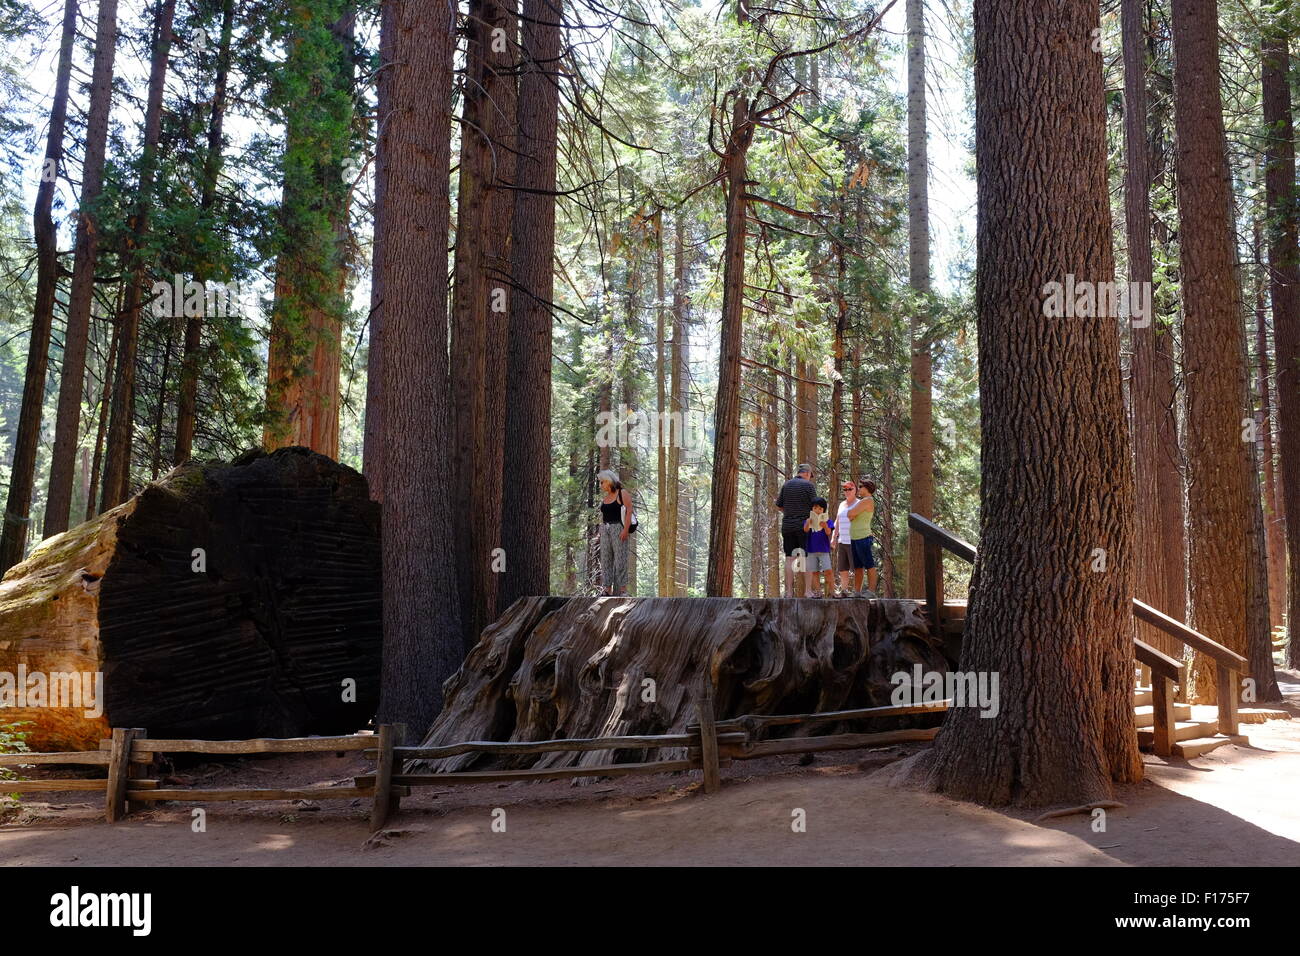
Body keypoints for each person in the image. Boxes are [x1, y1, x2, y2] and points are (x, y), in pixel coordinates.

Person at [775, 463, 816, 597]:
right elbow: (815, 506)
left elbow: (779, 505)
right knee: (806, 557)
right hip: (804, 526)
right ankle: (808, 591)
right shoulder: (809, 486)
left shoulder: (786, 485)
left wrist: (789, 512)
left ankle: (788, 592)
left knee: (789, 558)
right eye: (810, 475)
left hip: (787, 526)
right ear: (808, 474)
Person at [596, 469, 634, 595]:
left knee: (620, 559)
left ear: (609, 481)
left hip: (618, 528)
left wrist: (625, 530)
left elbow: (629, 511)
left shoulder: (622, 493)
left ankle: (623, 590)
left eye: (602, 482)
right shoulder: (606, 497)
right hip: (605, 529)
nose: (601, 485)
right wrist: (602, 530)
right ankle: (607, 589)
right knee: (606, 559)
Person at [848, 478, 879, 598]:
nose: (858, 488)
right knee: (857, 566)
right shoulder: (861, 502)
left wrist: (853, 513)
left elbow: (850, 514)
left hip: (863, 537)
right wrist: (853, 513)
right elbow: (849, 515)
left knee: (869, 564)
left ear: (867, 488)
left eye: (861, 486)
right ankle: (857, 592)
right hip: (855, 537)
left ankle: (871, 591)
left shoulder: (867, 500)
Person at [802, 497, 835, 598]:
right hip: (811, 549)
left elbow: (829, 532)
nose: (817, 510)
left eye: (820, 509)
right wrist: (808, 523)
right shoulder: (808, 520)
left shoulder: (828, 520)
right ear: (812, 509)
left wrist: (825, 526)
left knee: (828, 570)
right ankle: (818, 591)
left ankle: (832, 591)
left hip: (824, 549)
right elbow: (805, 530)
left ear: (824, 510)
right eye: (815, 508)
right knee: (814, 572)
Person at [831, 480, 857, 597]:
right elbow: (837, 521)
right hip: (842, 540)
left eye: (849, 489)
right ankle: (844, 590)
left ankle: (857, 591)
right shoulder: (842, 504)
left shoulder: (859, 503)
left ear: (855, 490)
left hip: (854, 540)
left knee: (856, 568)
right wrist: (834, 537)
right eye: (845, 489)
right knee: (843, 568)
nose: (847, 491)